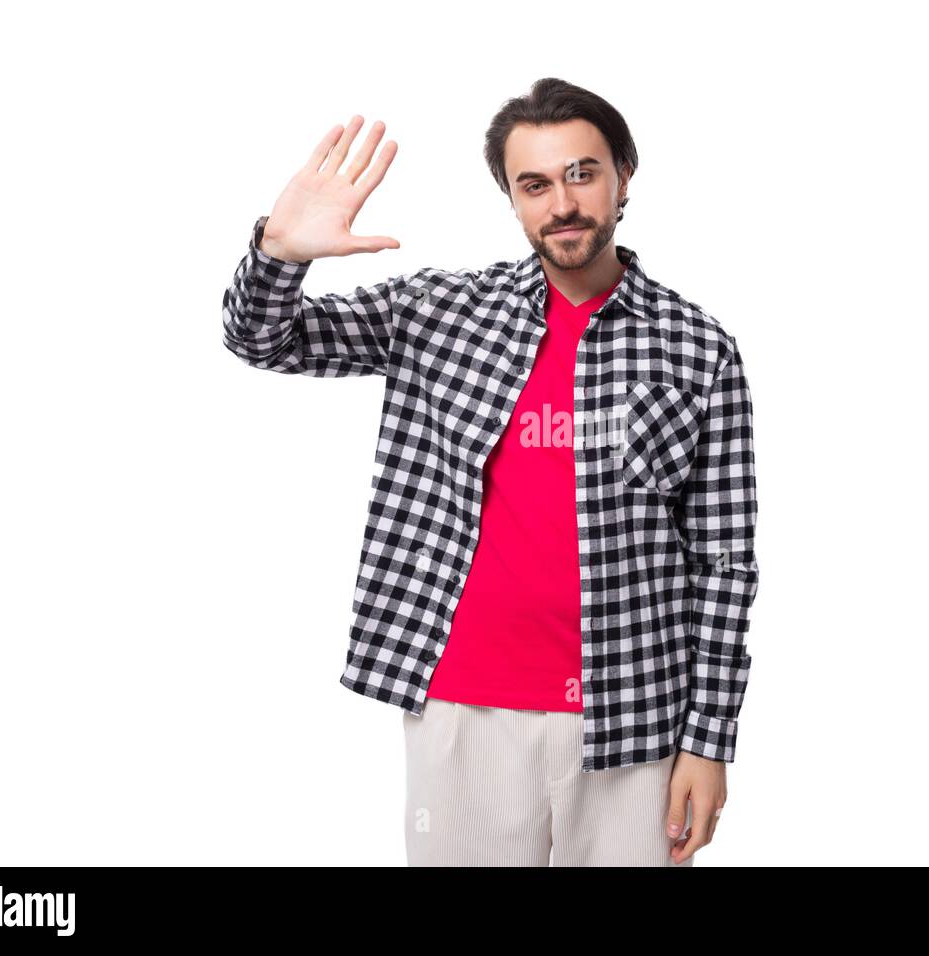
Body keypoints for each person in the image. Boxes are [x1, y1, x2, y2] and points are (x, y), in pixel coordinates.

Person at [222, 78, 759, 866]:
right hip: (461, 714)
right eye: (534, 184)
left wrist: (708, 743)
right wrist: (278, 252)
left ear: (623, 177)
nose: (562, 203)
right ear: (511, 198)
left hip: (634, 718)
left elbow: (724, 561)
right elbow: (264, 340)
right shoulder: (439, 314)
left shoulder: (696, 346)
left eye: (582, 173)